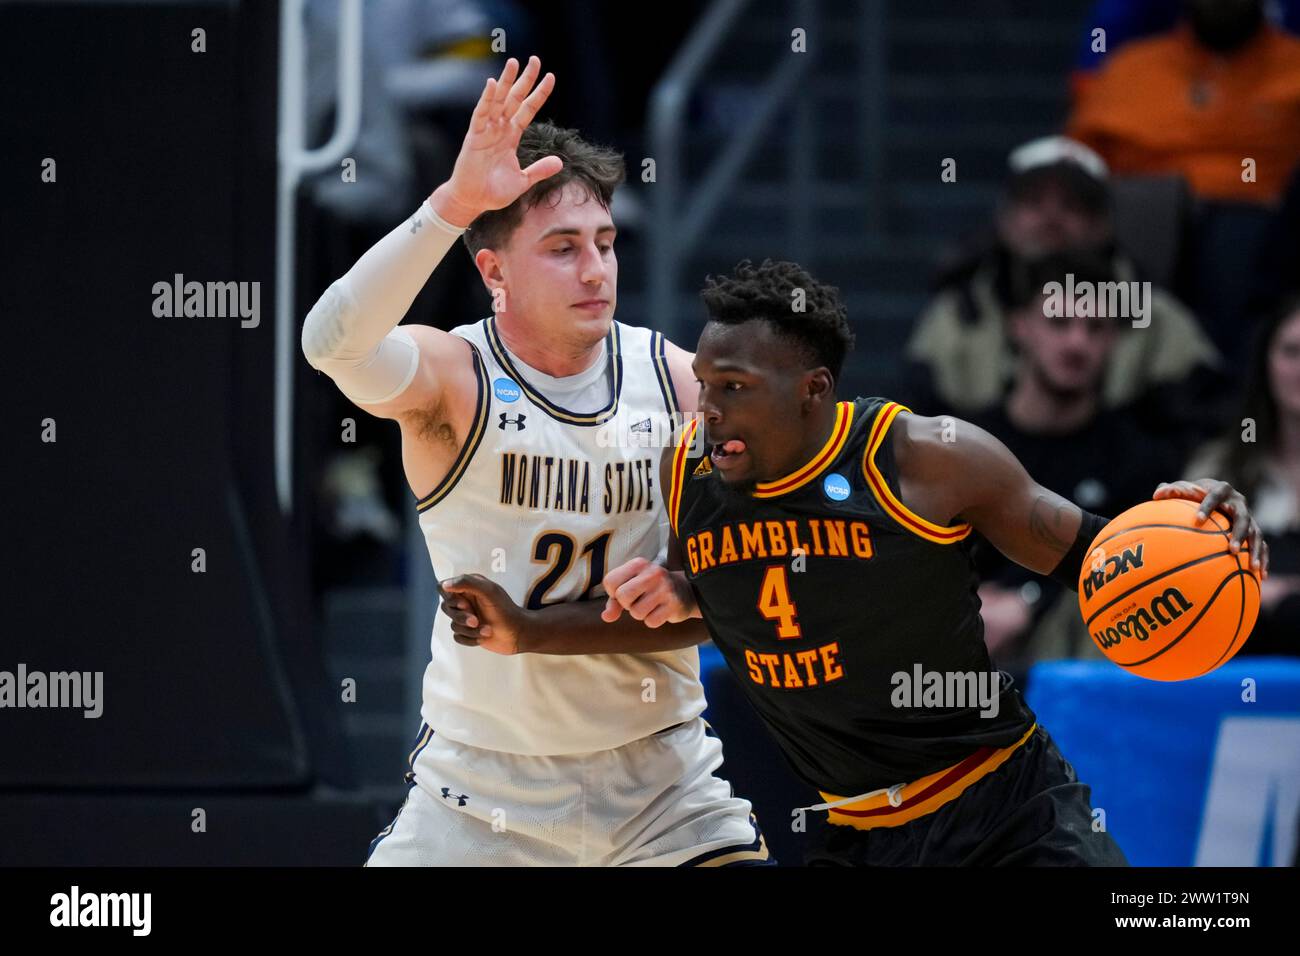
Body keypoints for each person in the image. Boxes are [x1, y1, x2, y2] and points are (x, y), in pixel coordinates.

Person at [441, 259, 1270, 866]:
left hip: (1005, 811)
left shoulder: (925, 460)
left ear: (813, 390)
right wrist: (527, 631)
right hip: (856, 832)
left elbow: (1095, 554)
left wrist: (1190, 525)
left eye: (734, 387)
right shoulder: (690, 477)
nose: (709, 407)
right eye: (704, 383)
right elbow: (707, 616)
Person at [301, 57, 768, 866]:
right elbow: (330, 342)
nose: (595, 270)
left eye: (605, 243)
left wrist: (696, 581)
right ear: (493, 271)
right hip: (480, 800)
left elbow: (782, 565)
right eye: (561, 248)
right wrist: (452, 206)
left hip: (661, 788)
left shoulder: (681, 382)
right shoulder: (456, 378)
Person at [902, 135, 1222, 447]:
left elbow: (1206, 430)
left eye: (1073, 205)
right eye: (1034, 201)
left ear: (1103, 224)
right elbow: (913, 437)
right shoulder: (957, 315)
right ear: (1005, 218)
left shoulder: (1156, 317)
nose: (1051, 218)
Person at [965, 251, 1185, 670]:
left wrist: (1027, 600)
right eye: (1059, 323)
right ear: (1020, 327)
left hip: (1080, 667)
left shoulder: (1140, 459)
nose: (1077, 343)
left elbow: (1131, 569)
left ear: (1114, 339)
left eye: (1095, 328)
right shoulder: (968, 442)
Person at [1066, 0, 1300, 206]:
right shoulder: (1127, 70)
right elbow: (1074, 169)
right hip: (1138, 227)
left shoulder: (1294, 70)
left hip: (1267, 233)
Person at [1184, 296, 1300, 655]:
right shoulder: (1218, 467)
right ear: (1266, 362)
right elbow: (1180, 574)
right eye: (1292, 351)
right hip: (1233, 674)